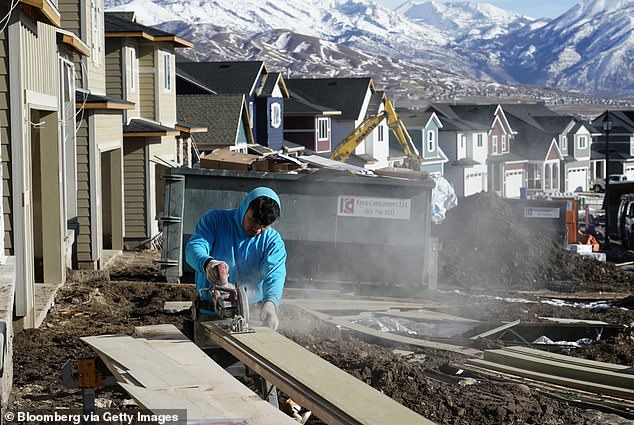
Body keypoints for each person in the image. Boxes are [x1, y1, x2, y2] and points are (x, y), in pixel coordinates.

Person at [186, 187, 286, 330]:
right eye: (253, 221)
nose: (257, 230)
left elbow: (275, 275)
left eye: (264, 226)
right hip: (209, 314)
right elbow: (194, 247)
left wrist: (270, 304)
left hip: (251, 315)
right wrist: (207, 263)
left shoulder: (272, 242)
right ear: (244, 208)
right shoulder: (215, 220)